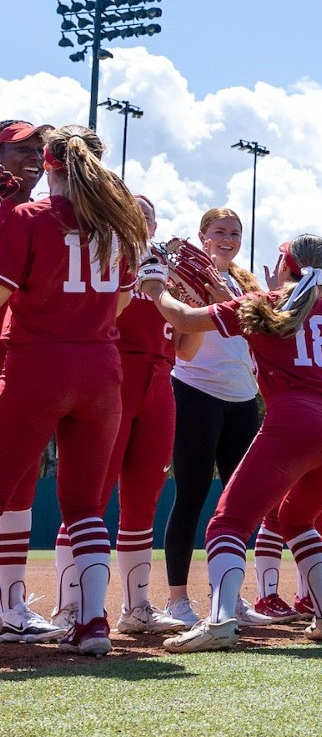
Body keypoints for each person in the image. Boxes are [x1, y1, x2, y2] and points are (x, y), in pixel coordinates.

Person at [142, 234, 322, 652]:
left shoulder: (260, 305)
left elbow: (183, 319)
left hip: (295, 423)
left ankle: (220, 620)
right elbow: (288, 327)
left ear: (284, 266)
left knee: (226, 523)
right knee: (299, 522)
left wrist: (155, 285)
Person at [0, 124, 149, 655]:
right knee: (85, 507)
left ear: (48, 164)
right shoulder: (118, 226)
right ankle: (92, 623)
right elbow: (122, 305)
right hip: (101, 370)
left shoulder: (28, 217)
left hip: (36, 366)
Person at [156, 208, 269, 629]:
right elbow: (183, 351)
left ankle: (229, 595)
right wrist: (201, 296)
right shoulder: (183, 277)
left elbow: (259, 340)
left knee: (238, 503)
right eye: (219, 231)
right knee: (191, 495)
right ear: (201, 235)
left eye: (234, 232)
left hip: (243, 398)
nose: (227, 238)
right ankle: (177, 601)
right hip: (195, 391)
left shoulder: (245, 283)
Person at [97, 196, 189, 634]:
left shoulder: (166, 270)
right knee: (89, 499)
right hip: (115, 373)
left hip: (161, 379)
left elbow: (187, 345)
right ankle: (75, 607)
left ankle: (136, 608)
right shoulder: (106, 255)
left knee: (143, 502)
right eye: (134, 211)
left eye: (149, 214)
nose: (144, 219)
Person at [0, 119, 70, 644]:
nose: (32, 156)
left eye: (38, 149)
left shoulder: (34, 214)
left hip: (20, 359)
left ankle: (10, 605)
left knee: (20, 486)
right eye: (20, 147)